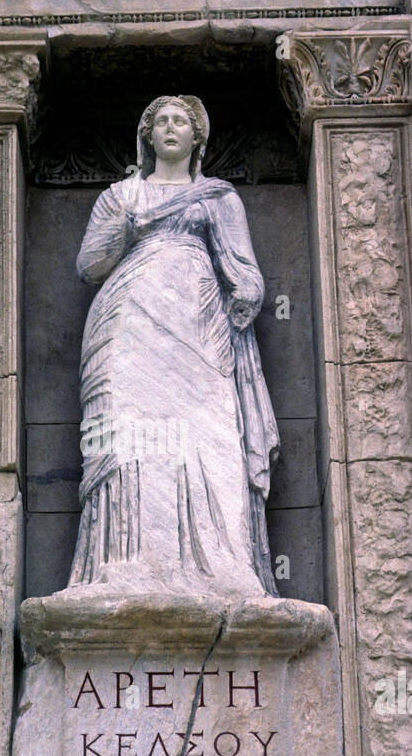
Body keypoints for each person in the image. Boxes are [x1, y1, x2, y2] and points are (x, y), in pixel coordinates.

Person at [68, 93, 279, 598]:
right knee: (126, 438)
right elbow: (88, 266)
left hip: (199, 324)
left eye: (179, 121)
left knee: (210, 435)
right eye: (160, 121)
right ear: (147, 136)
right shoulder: (122, 197)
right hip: (127, 324)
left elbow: (246, 271)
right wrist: (128, 227)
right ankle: (120, 564)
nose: (169, 128)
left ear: (196, 137)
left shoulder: (217, 197)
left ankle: (223, 562)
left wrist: (246, 294)